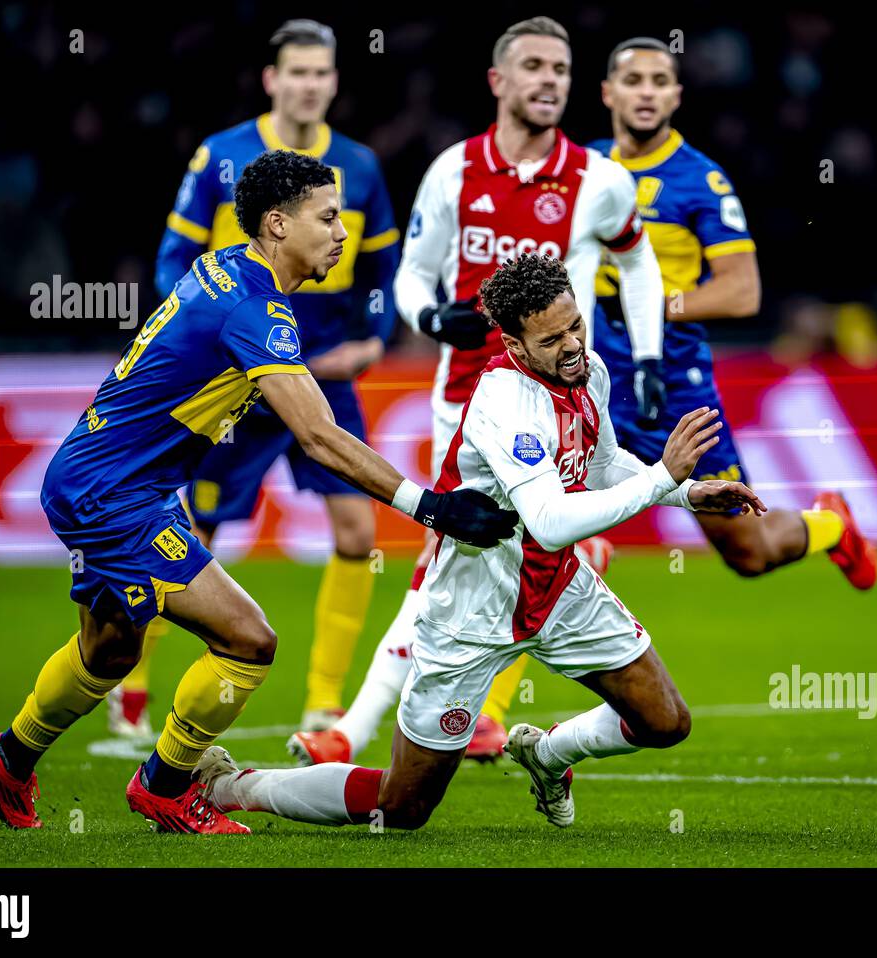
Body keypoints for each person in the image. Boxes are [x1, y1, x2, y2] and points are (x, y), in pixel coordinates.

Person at [0, 152, 517, 834]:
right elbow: (318, 436)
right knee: (249, 641)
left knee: (111, 648)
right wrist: (430, 507)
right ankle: (165, 786)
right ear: (278, 225)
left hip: (105, 476)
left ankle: (8, 757)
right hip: (115, 494)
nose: (342, 233)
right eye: (328, 217)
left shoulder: (230, 265)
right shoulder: (255, 309)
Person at [190, 253, 765, 832]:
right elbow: (551, 520)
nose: (570, 346)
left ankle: (548, 753)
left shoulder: (587, 369)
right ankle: (231, 785)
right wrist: (662, 478)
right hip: (473, 604)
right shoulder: (504, 401)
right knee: (402, 808)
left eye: (575, 327)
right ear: (515, 345)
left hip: (558, 587)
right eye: (550, 339)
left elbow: (606, 463)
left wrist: (687, 494)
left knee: (666, 721)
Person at [287, 15, 666, 767]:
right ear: (498, 81)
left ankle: (442, 718)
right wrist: (432, 316)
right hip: (471, 400)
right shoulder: (455, 170)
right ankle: (368, 728)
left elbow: (642, 264)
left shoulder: (600, 180)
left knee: (543, 552)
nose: (549, 80)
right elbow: (411, 276)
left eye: (560, 68)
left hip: (564, 405)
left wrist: (649, 357)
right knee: (463, 552)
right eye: (533, 65)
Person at [110, 19, 402, 739]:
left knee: (357, 529)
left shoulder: (359, 168)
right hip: (232, 378)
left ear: (335, 81)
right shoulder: (222, 155)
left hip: (319, 371)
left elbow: (383, 273)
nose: (308, 84)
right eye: (295, 72)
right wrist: (205, 333)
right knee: (187, 525)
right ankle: (135, 685)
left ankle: (324, 700)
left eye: (321, 73)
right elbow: (174, 256)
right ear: (272, 80)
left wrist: (370, 339)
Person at [591, 37, 877, 588]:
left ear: (676, 95)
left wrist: (652, 305)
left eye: (659, 81)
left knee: (750, 552)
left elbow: (741, 293)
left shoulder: (700, 180)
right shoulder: (586, 167)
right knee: (539, 521)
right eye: (633, 81)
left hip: (672, 384)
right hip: (593, 374)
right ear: (608, 93)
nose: (646, 92)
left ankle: (830, 524)